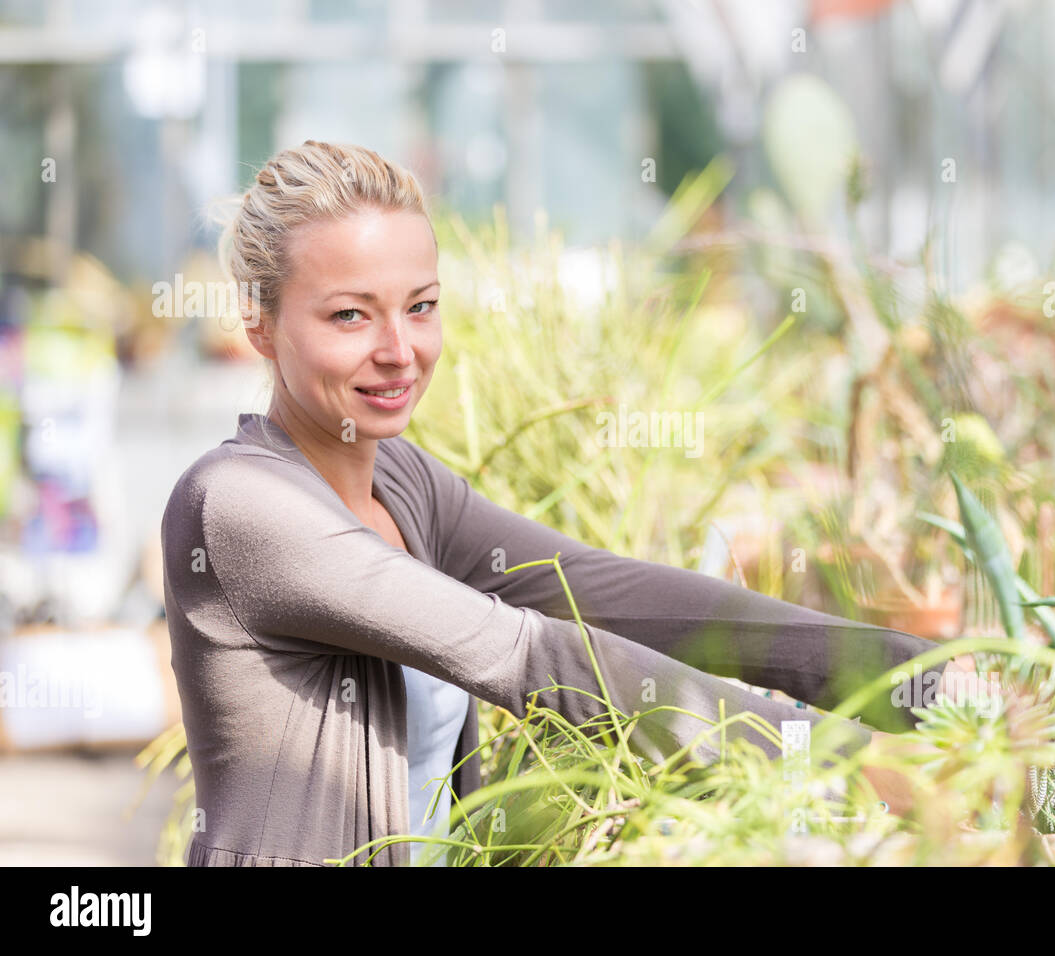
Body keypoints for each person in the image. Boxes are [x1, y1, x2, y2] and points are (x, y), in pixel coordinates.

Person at [161, 140, 969, 867]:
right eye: (349, 315)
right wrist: (841, 766)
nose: (399, 351)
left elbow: (617, 597)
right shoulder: (239, 505)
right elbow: (533, 654)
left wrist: (918, 680)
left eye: (421, 305)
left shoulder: (403, 483)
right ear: (260, 326)